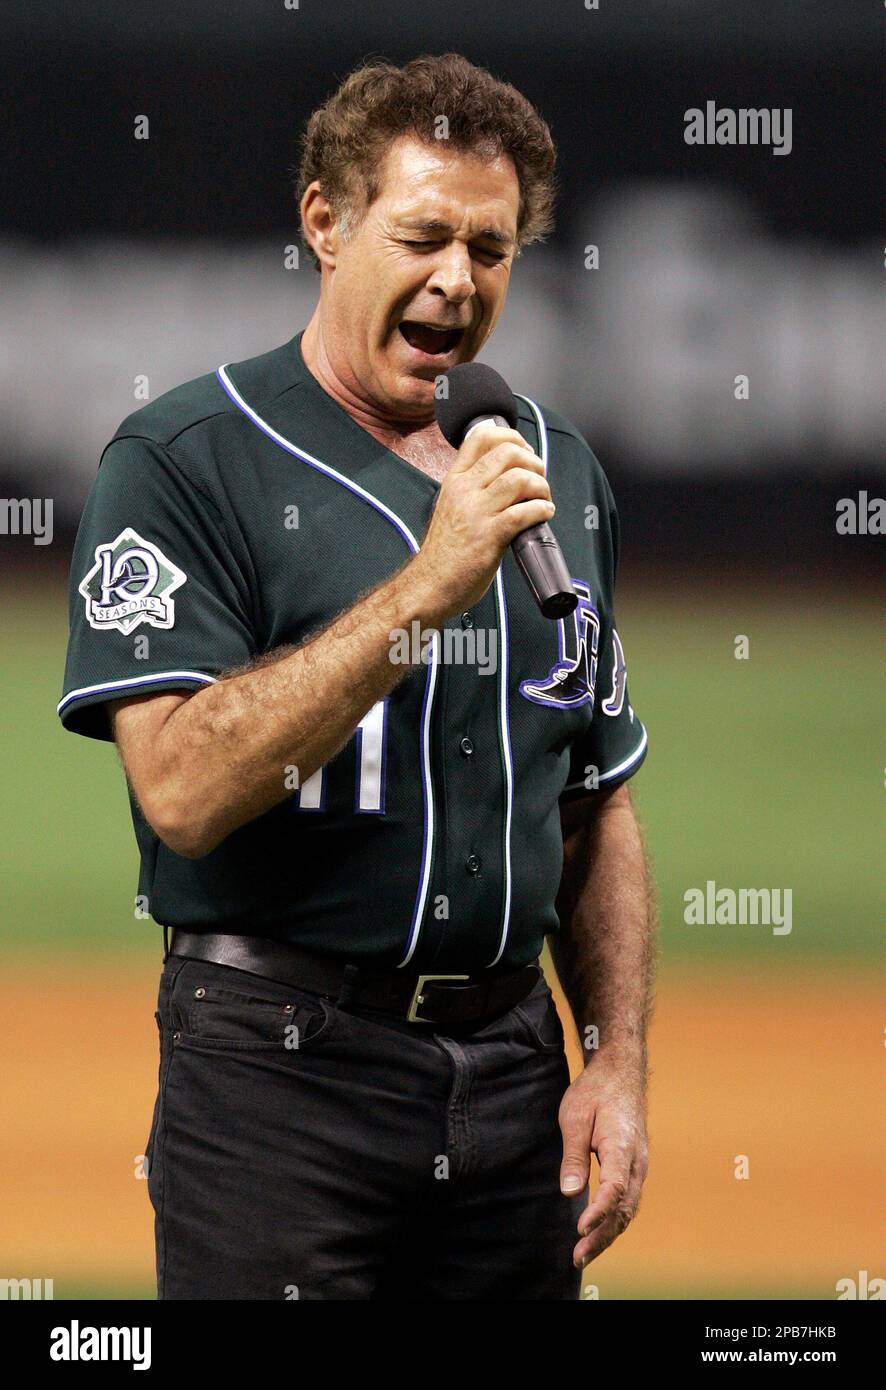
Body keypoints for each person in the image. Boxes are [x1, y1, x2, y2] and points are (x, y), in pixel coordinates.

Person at [58, 52, 654, 1300]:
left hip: (511, 1080)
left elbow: (593, 795)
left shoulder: (551, 467)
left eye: (490, 250)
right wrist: (427, 587)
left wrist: (613, 1060)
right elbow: (180, 788)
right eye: (424, 235)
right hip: (280, 1077)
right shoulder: (182, 462)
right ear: (324, 223)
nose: (457, 280)